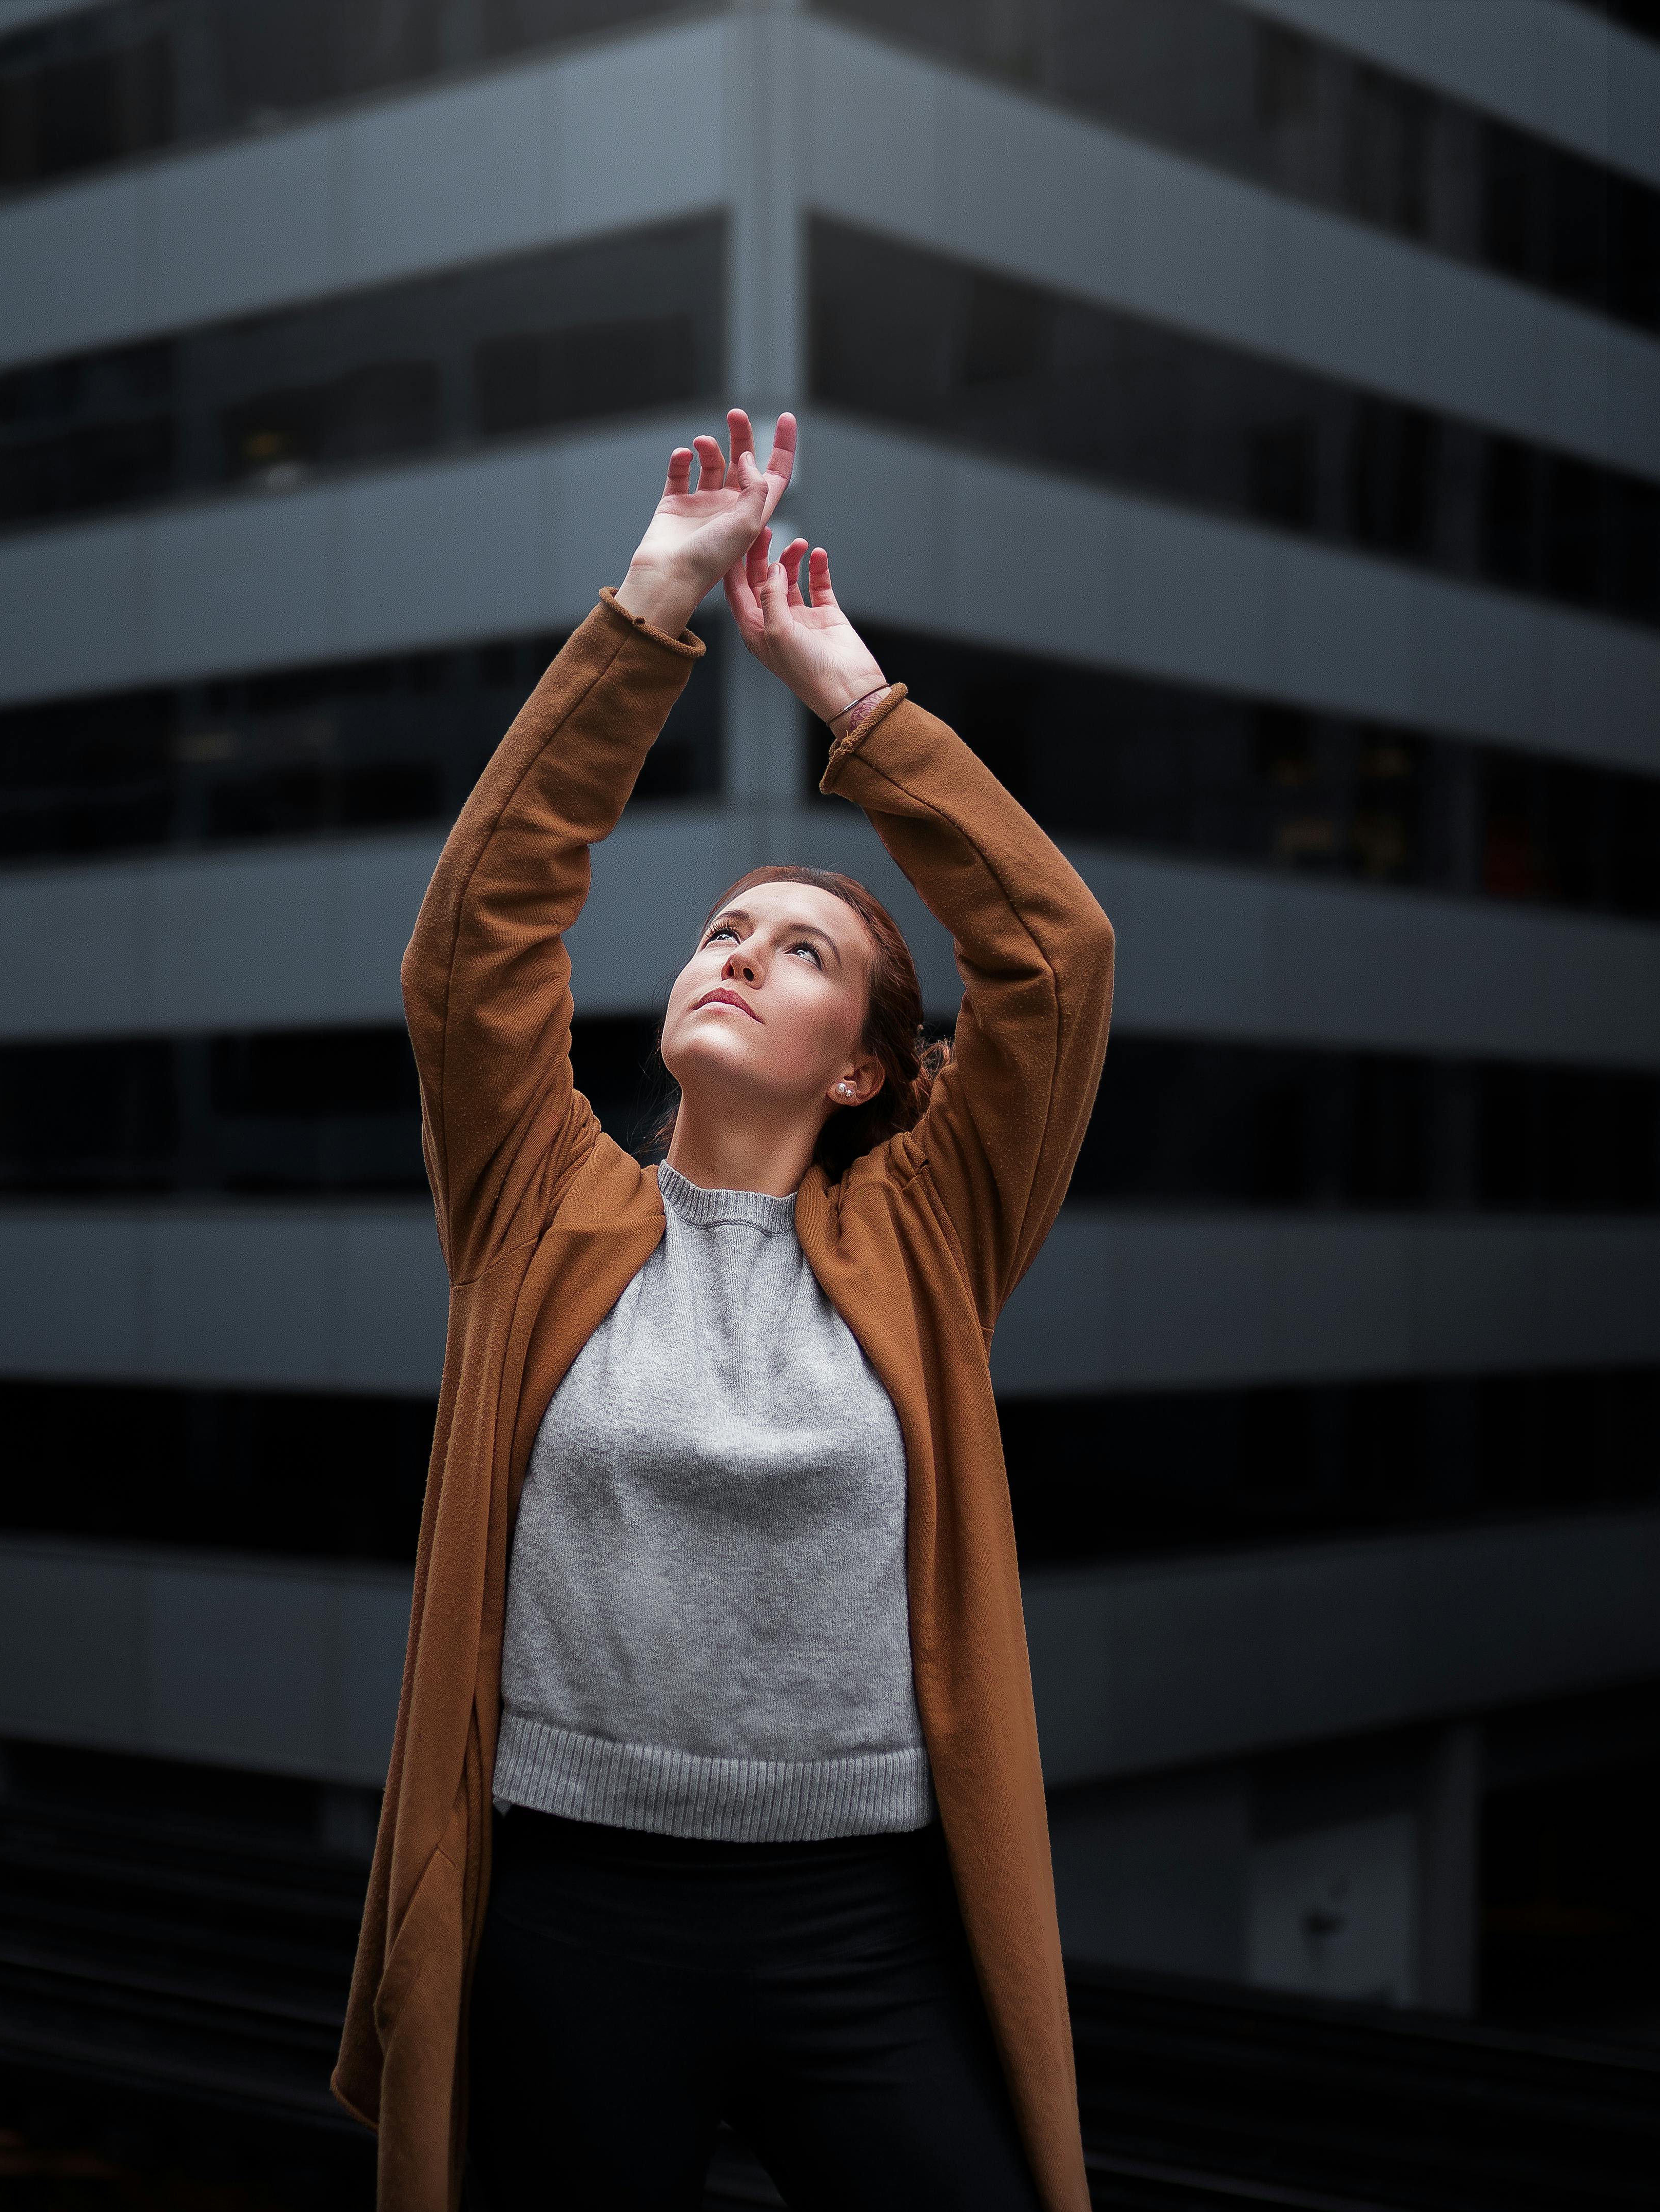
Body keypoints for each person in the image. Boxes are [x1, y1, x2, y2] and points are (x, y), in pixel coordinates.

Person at [333, 410, 1116, 2212]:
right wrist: (652, 610)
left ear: (862, 1072)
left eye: (803, 950)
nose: (739, 953)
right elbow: (477, 941)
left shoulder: (929, 1233)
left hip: (865, 1917)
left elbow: (1056, 961)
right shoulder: (538, 1201)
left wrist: (853, 697)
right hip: (572, 1911)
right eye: (720, 930)